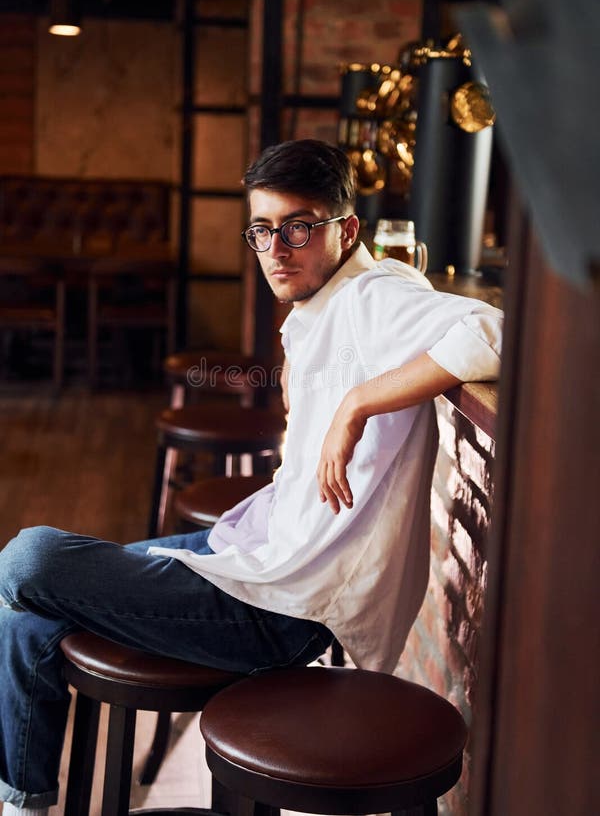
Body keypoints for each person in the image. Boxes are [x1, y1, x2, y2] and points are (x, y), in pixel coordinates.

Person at [0, 139, 502, 813]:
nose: (275, 249)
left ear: (345, 228)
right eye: (261, 230)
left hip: (278, 608)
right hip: (248, 555)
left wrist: (357, 404)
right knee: (25, 619)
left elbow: (491, 330)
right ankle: (23, 801)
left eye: (297, 227)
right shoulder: (322, 306)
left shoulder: (373, 296)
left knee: (28, 559)